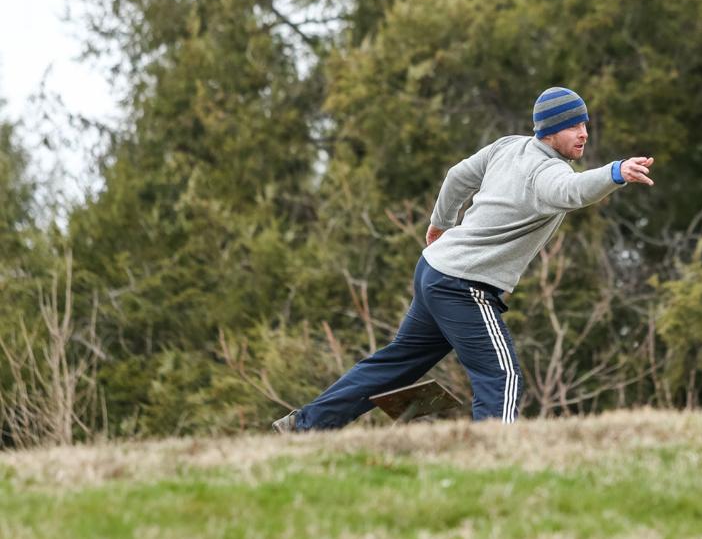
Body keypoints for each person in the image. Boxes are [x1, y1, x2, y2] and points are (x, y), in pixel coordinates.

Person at [273, 87, 654, 430]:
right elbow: (573, 190)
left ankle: (305, 426)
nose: (584, 133)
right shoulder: (545, 172)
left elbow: (458, 176)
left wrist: (440, 224)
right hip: (463, 285)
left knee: (394, 365)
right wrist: (615, 172)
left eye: (585, 124)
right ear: (549, 132)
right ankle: (493, 457)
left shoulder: (508, 146)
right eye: (573, 127)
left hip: (435, 269)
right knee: (501, 375)